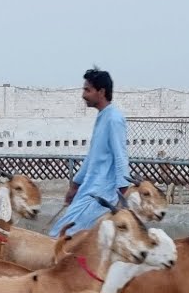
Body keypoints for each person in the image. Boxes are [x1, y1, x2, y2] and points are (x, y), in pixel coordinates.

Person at [48, 68, 131, 237]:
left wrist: (122, 193)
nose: (83, 94)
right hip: (89, 188)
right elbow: (93, 158)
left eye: (87, 90)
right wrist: (75, 186)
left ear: (101, 92)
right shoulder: (103, 117)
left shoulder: (114, 118)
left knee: (60, 236)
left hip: (101, 193)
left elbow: (120, 156)